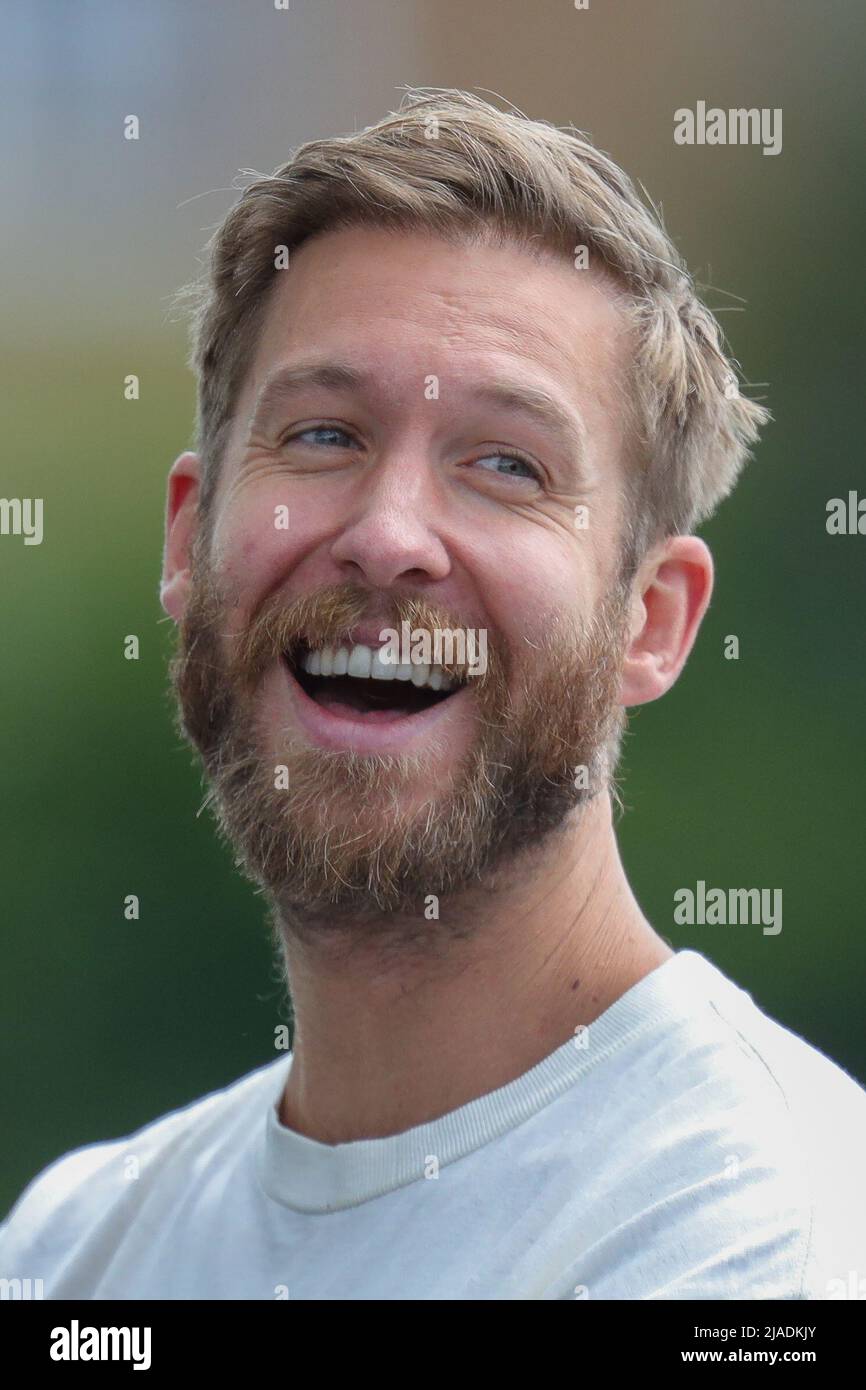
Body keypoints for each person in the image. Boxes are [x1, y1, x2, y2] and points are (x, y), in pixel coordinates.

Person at [2, 88, 864, 1301]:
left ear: (650, 621)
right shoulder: (72, 1250)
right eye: (319, 435)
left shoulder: (754, 1234)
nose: (388, 533)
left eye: (505, 465)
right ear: (190, 541)